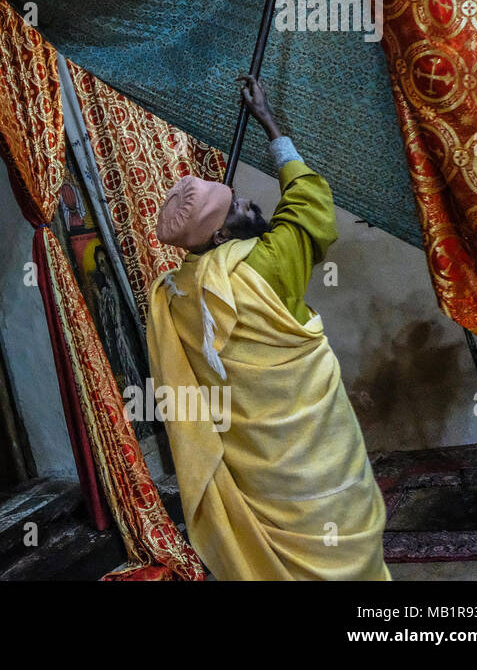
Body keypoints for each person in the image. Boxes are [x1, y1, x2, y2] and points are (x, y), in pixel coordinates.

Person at [146, 74, 389, 581]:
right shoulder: (268, 261)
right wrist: (270, 123)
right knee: (342, 535)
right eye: (235, 206)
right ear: (218, 233)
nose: (248, 204)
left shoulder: (175, 297)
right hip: (321, 450)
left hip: (262, 472)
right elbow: (311, 206)